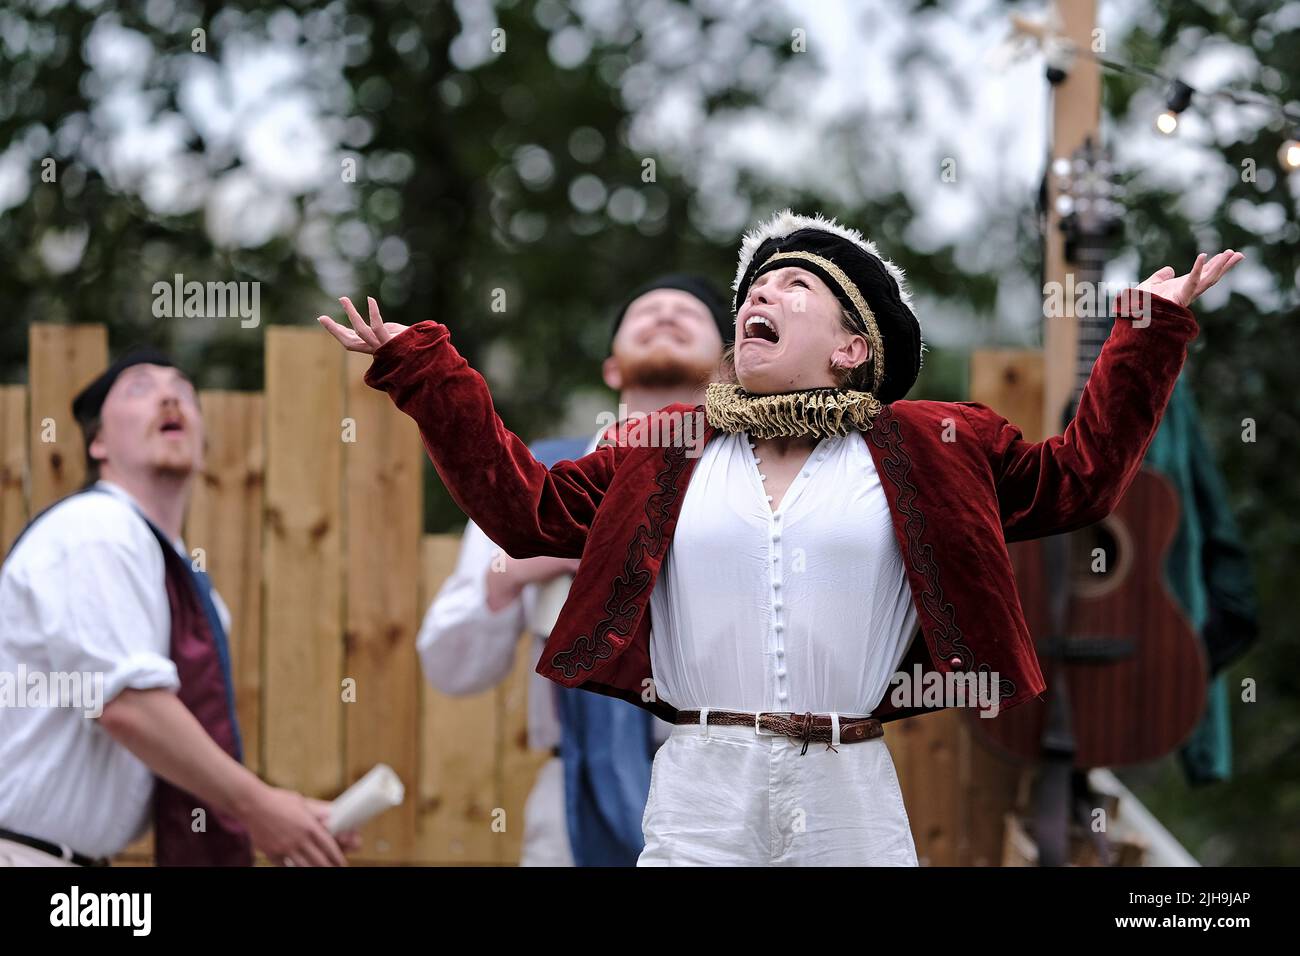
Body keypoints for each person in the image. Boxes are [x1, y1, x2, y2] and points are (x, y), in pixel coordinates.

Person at [319, 208, 1242, 866]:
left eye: (795, 284)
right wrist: (425, 371)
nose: (763, 290)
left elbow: (1078, 479)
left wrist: (1147, 336)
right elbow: (526, 511)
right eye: (756, 285)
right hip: (699, 787)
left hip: (849, 787)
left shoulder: (932, 443)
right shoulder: (664, 446)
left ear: (852, 348)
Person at [0, 349, 359, 867]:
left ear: (203, 446)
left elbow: (176, 740)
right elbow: (128, 705)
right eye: (140, 387)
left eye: (185, 392)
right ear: (97, 441)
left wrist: (288, 813)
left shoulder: (188, 587)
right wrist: (258, 807)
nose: (170, 396)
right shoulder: (94, 532)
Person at [417, 275, 729, 865]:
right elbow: (449, 665)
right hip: (569, 811)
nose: (664, 312)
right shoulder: (535, 479)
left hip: (722, 789)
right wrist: (514, 569)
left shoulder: (754, 479)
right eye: (646, 310)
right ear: (613, 369)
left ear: (725, 368)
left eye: (687, 311)